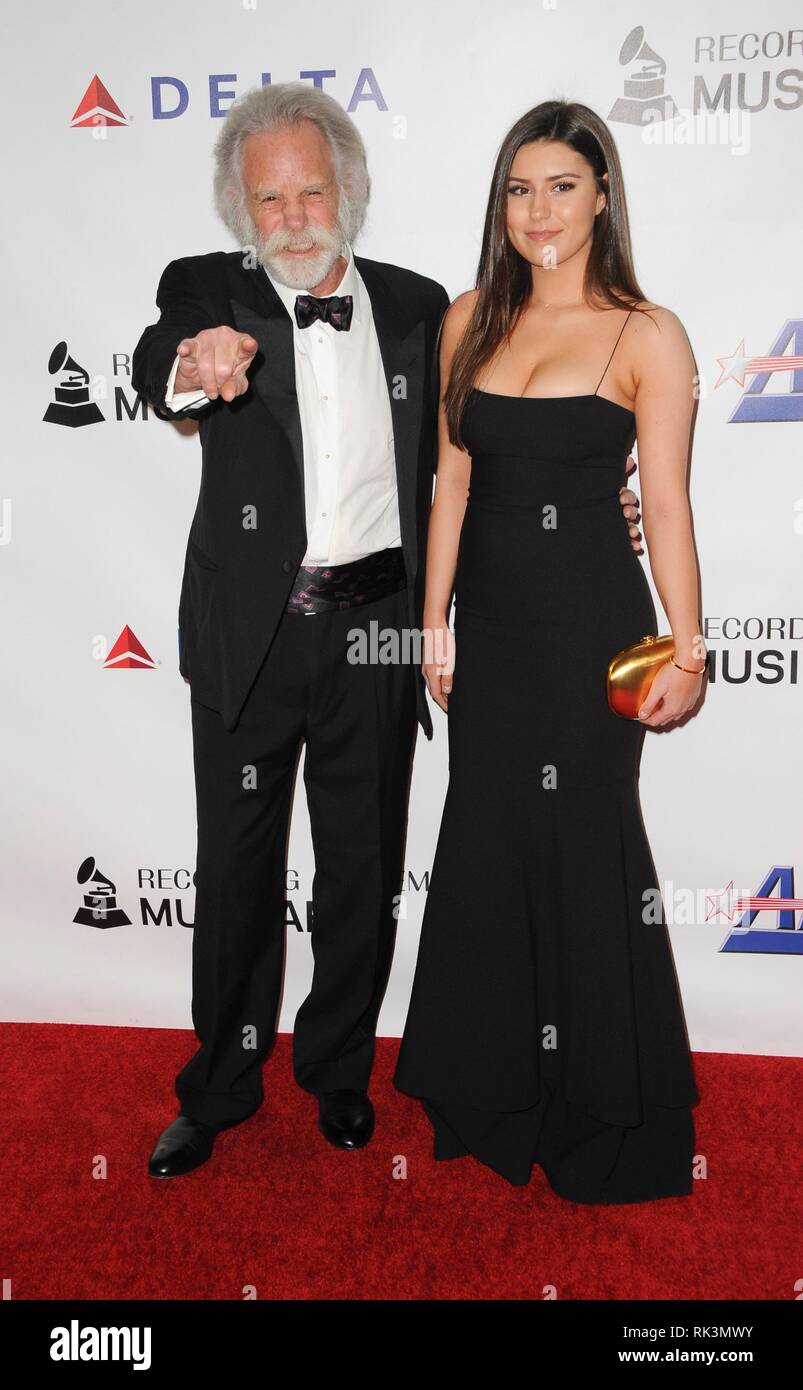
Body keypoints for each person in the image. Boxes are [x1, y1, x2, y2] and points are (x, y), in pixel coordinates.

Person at [131, 83, 643, 1179]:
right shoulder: (204, 290)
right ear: (239, 206)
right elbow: (158, 364)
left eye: (311, 188)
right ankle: (217, 1088)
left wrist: (609, 496)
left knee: (360, 871)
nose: (292, 214)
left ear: (348, 191)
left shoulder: (423, 308)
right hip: (249, 638)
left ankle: (337, 1073)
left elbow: (476, 464)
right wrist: (192, 364)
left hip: (377, 635)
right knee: (236, 877)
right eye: (267, 197)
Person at [393, 99, 706, 1204]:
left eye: (561, 185)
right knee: (485, 846)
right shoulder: (467, 316)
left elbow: (663, 505)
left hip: (591, 637)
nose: (538, 209)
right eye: (518, 188)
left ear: (602, 194)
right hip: (491, 633)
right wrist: (432, 621)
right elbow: (451, 485)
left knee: (583, 848)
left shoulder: (644, 333)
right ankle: (493, 1092)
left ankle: (600, 1113)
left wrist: (689, 647)